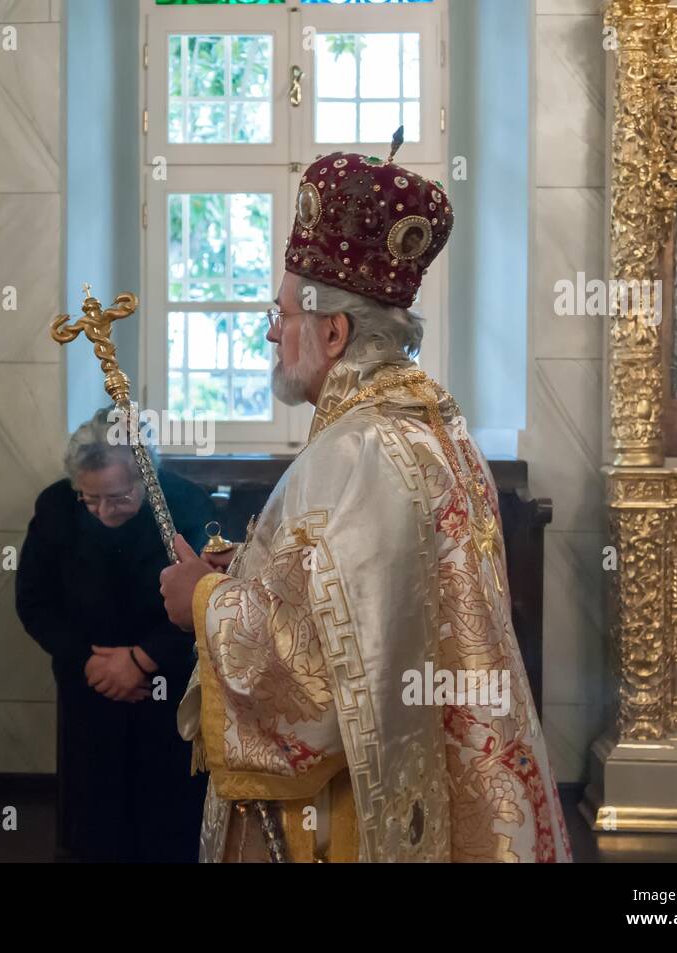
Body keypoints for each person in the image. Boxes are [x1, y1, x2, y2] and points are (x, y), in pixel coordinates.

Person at [160, 147, 573, 863]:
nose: (267, 331)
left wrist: (202, 600)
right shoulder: (430, 424)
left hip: (344, 817)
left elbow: (320, 681)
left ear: (334, 331)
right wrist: (246, 572)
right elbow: (360, 603)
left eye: (280, 313)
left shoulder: (359, 450)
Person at [16, 408, 210, 862]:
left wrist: (140, 660)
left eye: (118, 497)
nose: (103, 511)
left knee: (168, 823)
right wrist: (92, 662)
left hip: (167, 686)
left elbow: (208, 602)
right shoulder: (56, 507)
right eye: (90, 498)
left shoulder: (185, 505)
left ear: (148, 479)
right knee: (93, 824)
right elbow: (34, 602)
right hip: (90, 683)